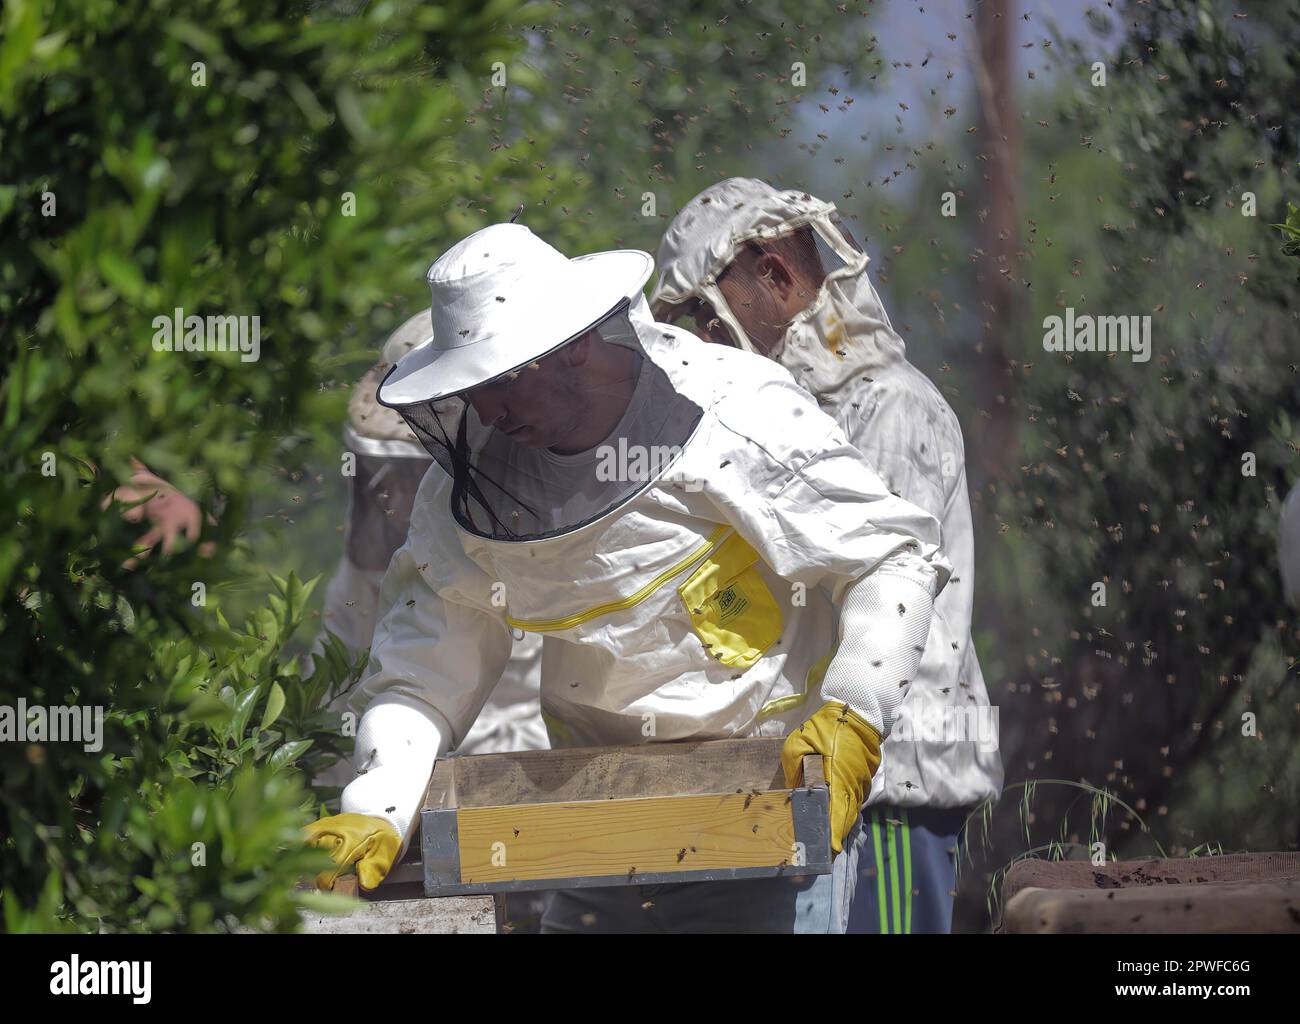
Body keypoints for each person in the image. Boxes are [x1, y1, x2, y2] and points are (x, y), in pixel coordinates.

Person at [306, 221, 951, 933]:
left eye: (503, 382)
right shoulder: (471, 488)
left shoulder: (737, 413)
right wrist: (375, 808)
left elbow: (893, 556)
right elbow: (425, 671)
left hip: (768, 815)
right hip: (594, 825)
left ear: (577, 345)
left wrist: (852, 716)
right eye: (472, 389)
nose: (487, 410)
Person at [650, 177, 1004, 933]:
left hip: (895, 789)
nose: (701, 341)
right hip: (821, 782)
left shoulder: (888, 405)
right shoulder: (789, 414)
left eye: (704, 316)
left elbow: (869, 592)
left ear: (774, 276)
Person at [315, 311, 546, 763]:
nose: (388, 493)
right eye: (383, 471)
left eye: (413, 471)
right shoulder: (366, 564)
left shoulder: (543, 540)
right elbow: (331, 696)